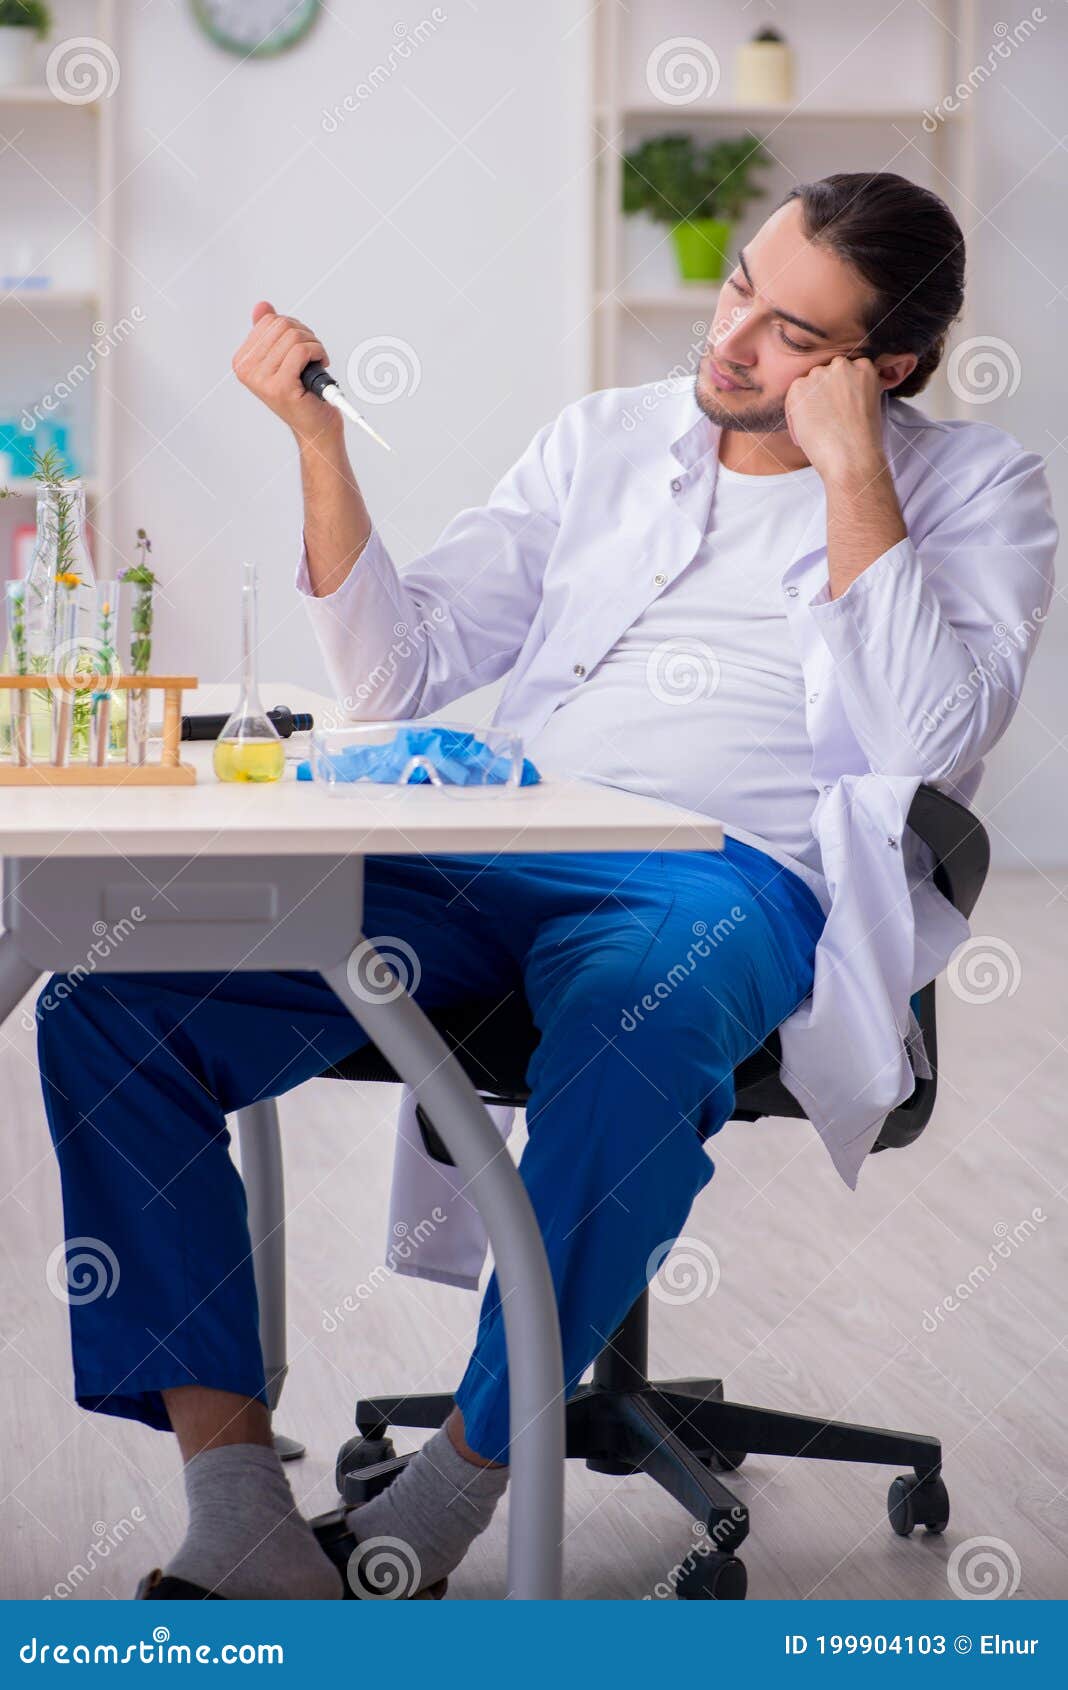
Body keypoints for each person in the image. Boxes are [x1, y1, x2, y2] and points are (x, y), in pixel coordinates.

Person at [37, 173, 1056, 1599]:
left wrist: (851, 469)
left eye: (790, 331)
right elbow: (401, 671)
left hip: (727, 882)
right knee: (112, 992)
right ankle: (237, 1503)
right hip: (495, 836)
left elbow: (924, 740)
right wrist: (320, 443)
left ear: (881, 365)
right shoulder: (612, 437)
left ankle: (456, 1482)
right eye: (736, 288)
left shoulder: (974, 489)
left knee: (641, 1007)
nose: (733, 337)